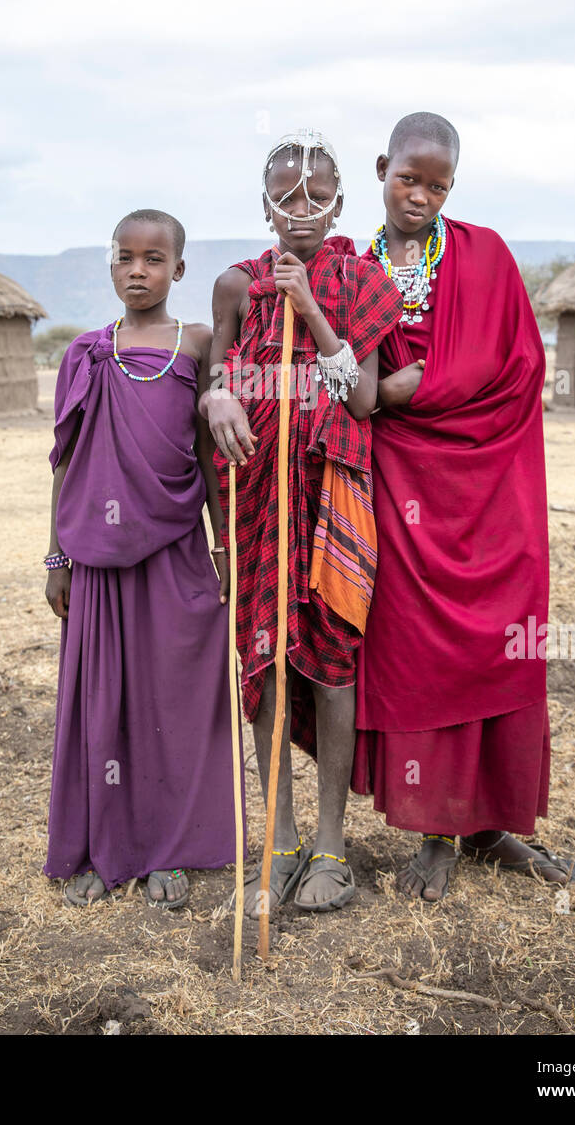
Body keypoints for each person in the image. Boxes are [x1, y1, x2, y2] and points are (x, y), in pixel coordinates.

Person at [352, 112, 575, 900]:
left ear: (454, 186)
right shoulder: (355, 267)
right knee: (417, 647)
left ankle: (491, 823)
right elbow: (340, 373)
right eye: (406, 178)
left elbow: (523, 363)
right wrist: (386, 393)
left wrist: (428, 385)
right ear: (382, 167)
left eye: (437, 185)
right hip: (403, 488)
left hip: (490, 486)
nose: (419, 196)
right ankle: (435, 830)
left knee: (499, 641)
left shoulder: (486, 255)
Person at [203, 129, 401, 913]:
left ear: (341, 203)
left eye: (317, 194)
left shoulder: (362, 279)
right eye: (286, 196)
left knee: (331, 666)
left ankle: (331, 849)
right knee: (264, 667)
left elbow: (359, 398)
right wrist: (216, 394)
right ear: (264, 207)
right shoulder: (232, 286)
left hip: (333, 505)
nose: (302, 208)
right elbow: (218, 378)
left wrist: (311, 307)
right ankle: (278, 843)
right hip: (257, 503)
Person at [43, 209, 239, 909]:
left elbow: (211, 455)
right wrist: (55, 555)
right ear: (111, 264)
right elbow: (64, 461)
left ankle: (170, 848)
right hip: (96, 555)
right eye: (125, 257)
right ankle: (101, 849)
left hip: (177, 547)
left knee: (175, 699)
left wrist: (224, 545)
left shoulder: (199, 343)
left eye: (153, 259)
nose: (137, 270)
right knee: (103, 700)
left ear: (178, 270)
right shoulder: (86, 353)